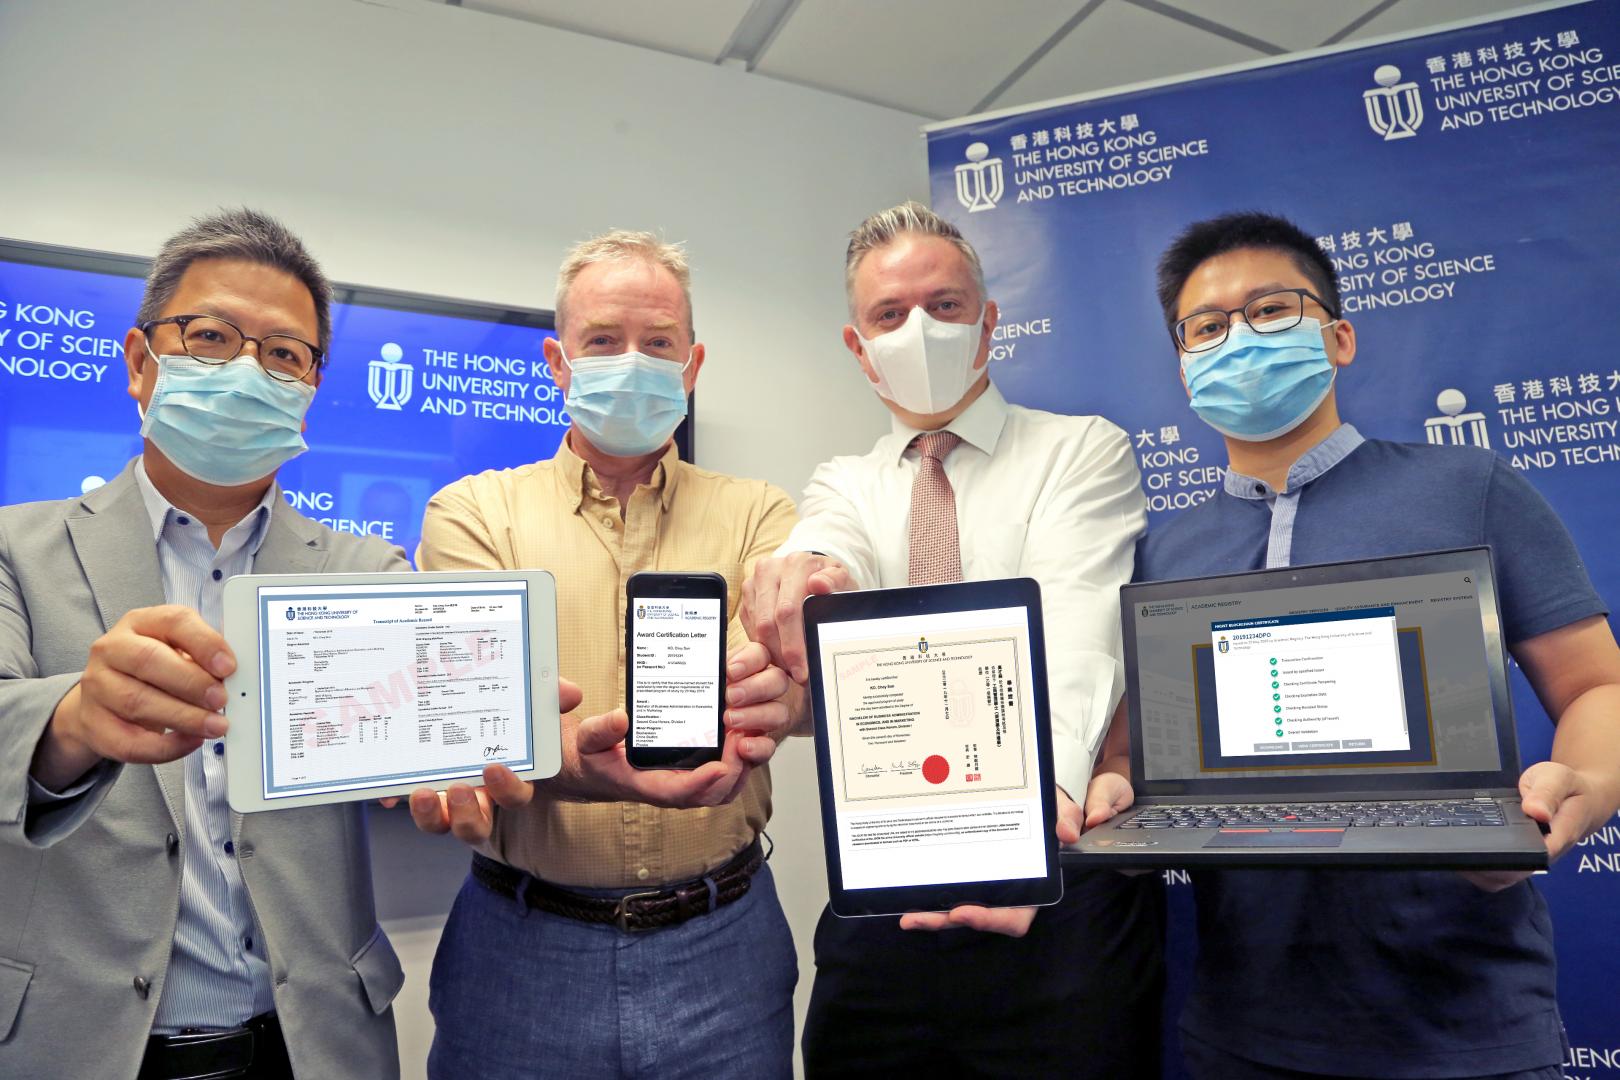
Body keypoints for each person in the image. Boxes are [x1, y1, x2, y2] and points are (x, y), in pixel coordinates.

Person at [1088, 210, 1620, 1080]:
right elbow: (1130, 754)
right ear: (1184, 369)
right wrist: (1112, 790)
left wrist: (1585, 791)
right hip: (1244, 1027)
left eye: (1270, 311)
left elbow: (1599, 688)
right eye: (1208, 327)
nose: (1239, 340)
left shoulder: (1469, 488)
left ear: (1338, 338)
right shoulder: (1160, 553)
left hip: (1466, 1021)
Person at [742, 201, 1165, 1077]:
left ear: (988, 324)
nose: (920, 330)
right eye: (889, 316)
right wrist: (806, 570)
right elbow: (830, 546)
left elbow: (1077, 630)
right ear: (858, 348)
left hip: (1056, 877)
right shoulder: (846, 482)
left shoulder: (1079, 450)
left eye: (944, 304)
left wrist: (1023, 814)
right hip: (882, 902)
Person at [0, 209, 408, 1079]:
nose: (249, 371)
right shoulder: (14, 548)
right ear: (141, 364)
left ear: (308, 389)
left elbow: (427, 740)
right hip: (81, 1044)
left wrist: (508, 757)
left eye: (284, 353)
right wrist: (73, 720)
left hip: (311, 1044)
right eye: (213, 336)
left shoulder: (368, 568)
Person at [411, 229, 802, 1079]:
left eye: (658, 343)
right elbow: (467, 722)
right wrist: (583, 771)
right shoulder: (472, 514)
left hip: (723, 948)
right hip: (521, 949)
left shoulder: (762, 515)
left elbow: (786, 682)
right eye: (602, 341)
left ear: (691, 364)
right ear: (558, 360)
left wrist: (792, 701)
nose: (632, 362)